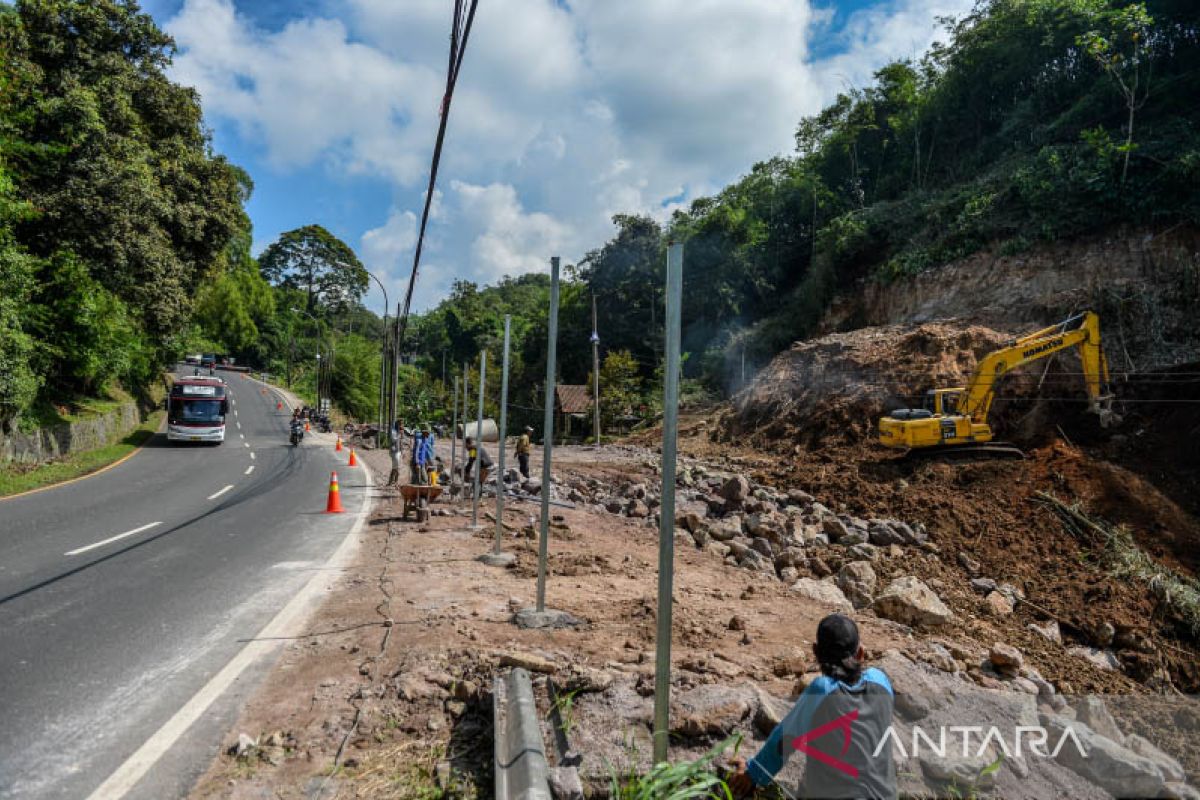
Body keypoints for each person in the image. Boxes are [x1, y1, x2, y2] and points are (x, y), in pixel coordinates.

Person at [728, 614, 895, 799]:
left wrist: (753, 773)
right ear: (861, 653)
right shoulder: (881, 681)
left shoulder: (823, 690)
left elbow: (783, 740)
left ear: (815, 652)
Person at [387, 421, 403, 487]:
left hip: (398, 451)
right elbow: (393, 439)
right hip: (394, 451)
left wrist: (402, 451)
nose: (402, 426)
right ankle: (394, 482)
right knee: (396, 467)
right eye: (401, 425)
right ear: (397, 425)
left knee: (395, 467)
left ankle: (392, 482)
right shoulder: (393, 431)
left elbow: (401, 441)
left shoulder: (400, 432)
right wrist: (399, 434)